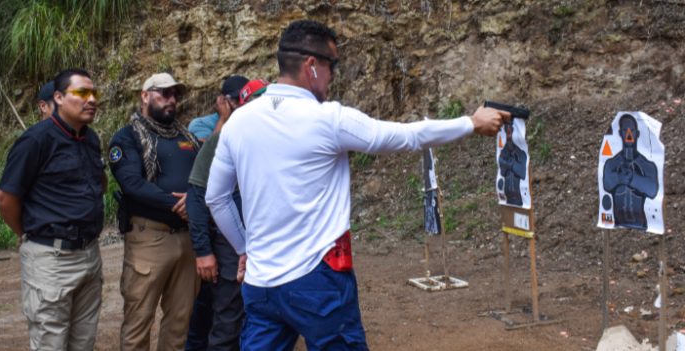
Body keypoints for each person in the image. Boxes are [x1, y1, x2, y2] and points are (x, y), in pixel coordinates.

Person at [205, 20, 509, 350]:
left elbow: (216, 198)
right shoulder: (327, 119)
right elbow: (406, 136)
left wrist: (244, 249)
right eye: (332, 65)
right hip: (318, 280)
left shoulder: (238, 123)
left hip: (260, 284)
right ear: (312, 66)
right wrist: (470, 123)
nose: (333, 76)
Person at [0, 68, 104, 351]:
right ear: (58, 97)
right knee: (50, 344)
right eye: (82, 93)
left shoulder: (90, 139)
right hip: (51, 260)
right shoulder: (36, 140)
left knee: (83, 343)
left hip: (89, 255)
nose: (92, 99)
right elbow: (5, 198)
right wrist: (28, 234)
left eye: (94, 93)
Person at [108, 73, 200, 351]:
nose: (172, 100)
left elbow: (205, 178)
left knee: (180, 322)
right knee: (139, 320)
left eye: (175, 94)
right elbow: (132, 184)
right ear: (145, 96)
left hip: (188, 238)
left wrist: (197, 201)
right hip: (150, 238)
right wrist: (177, 204)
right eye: (164, 93)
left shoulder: (187, 138)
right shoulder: (127, 137)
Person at [185, 79, 268, 351]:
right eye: (254, 102)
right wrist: (203, 250)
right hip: (231, 243)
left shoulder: (282, 137)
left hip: (270, 241)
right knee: (228, 318)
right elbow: (197, 196)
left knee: (266, 316)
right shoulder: (223, 139)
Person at [602, 114, 658, 229]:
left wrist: (633, 178)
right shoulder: (611, 163)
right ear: (620, 133)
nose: (629, 134)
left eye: (631, 131)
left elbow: (653, 191)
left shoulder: (647, 165)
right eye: (625, 130)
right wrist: (619, 178)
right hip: (617, 223)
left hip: (641, 224)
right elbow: (606, 185)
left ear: (637, 134)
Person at [188, 75, 248, 140]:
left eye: (247, 98)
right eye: (237, 99)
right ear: (222, 100)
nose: (243, 103)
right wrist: (223, 119)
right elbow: (210, 146)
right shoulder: (200, 125)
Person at [498, 120, 527, 206]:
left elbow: (522, 173)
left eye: (510, 131)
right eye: (507, 131)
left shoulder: (521, 153)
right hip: (507, 199)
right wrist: (512, 164)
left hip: (519, 198)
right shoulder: (504, 153)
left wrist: (509, 164)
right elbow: (502, 171)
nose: (508, 135)